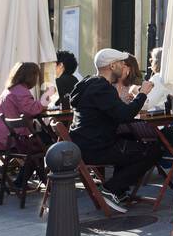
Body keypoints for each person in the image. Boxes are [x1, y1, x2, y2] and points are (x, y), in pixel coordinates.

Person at [68, 48, 158, 212]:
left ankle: (119, 191)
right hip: (96, 148)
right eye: (122, 64)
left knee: (129, 141)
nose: (125, 67)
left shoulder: (90, 84)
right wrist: (142, 93)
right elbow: (125, 115)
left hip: (84, 145)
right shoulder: (102, 88)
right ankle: (111, 189)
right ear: (112, 66)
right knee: (152, 150)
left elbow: (115, 113)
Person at [0, 62, 48, 188]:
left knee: (38, 143)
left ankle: (23, 182)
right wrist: (46, 97)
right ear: (31, 76)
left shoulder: (10, 89)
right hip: (8, 140)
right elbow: (32, 109)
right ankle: (42, 181)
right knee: (45, 142)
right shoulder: (21, 91)